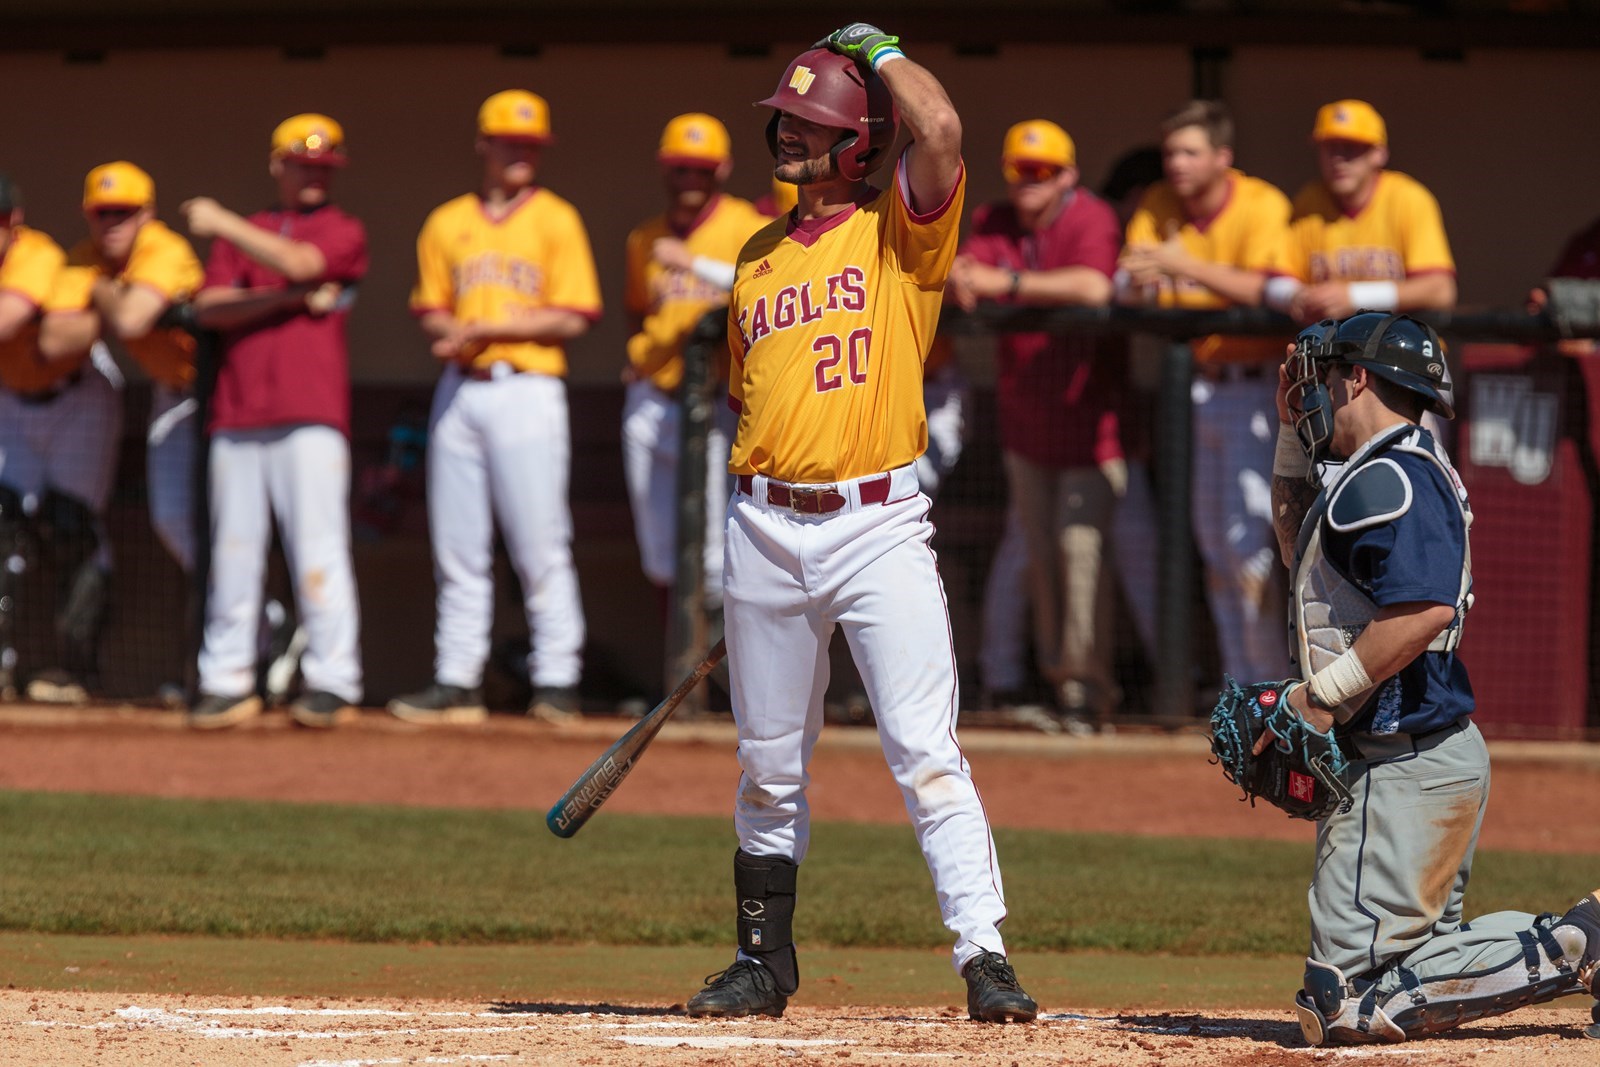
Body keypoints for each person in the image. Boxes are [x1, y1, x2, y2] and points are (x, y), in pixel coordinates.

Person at [684, 24, 1036, 1025]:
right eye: (786, 123)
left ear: (857, 142)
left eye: (809, 123)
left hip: (878, 523)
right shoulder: (752, 257)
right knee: (767, 759)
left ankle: (984, 951)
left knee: (924, 749)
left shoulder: (899, 232)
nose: (788, 136)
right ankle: (761, 960)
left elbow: (942, 124)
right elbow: (749, 399)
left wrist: (877, 51)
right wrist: (758, 553)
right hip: (763, 526)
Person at [1268, 311, 1600, 1046]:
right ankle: (1583, 936)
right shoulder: (1386, 468)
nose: (1315, 393)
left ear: (1356, 378)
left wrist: (1321, 696)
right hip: (1414, 762)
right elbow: (1298, 550)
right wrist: (1293, 438)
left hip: (1402, 767)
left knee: (1344, 1003)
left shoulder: (1393, 477)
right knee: (1416, 966)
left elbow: (1423, 610)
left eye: (1326, 378)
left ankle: (1582, 941)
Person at [389, 90, 601, 726]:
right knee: (458, 547)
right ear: (484, 144)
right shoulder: (446, 219)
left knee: (540, 542)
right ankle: (456, 679)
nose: (520, 153)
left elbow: (572, 316)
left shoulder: (556, 218)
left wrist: (491, 330)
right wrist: (448, 334)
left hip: (527, 389)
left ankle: (558, 678)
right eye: (510, 141)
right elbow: (430, 305)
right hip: (461, 389)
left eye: (531, 144)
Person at [181, 113, 368, 730]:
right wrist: (286, 302)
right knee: (234, 551)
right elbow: (210, 308)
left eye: (323, 167)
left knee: (317, 548)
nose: (313, 176)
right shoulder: (249, 232)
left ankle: (333, 678)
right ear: (277, 165)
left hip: (310, 413)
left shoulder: (342, 228)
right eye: (302, 164)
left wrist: (222, 222)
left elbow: (304, 262)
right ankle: (227, 677)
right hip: (237, 411)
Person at [948, 119, 1121, 728]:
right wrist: (970, 277)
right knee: (1044, 562)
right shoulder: (995, 221)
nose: (1028, 182)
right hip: (1025, 426)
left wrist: (1009, 283)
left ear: (1068, 175)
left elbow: (1095, 286)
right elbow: (966, 272)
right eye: (1020, 170)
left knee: (1083, 555)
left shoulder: (1089, 218)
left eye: (1042, 171)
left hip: (1092, 430)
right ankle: (1061, 685)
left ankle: (1087, 689)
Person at [1119, 99, 1293, 687]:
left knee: (1252, 550)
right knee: (1215, 551)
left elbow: (1270, 290)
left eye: (1190, 152)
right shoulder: (1159, 204)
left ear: (1223, 157)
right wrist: (1170, 270)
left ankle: (1269, 689)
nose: (1176, 164)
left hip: (1256, 394)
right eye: (1170, 152)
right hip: (1196, 388)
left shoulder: (1263, 202)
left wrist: (1178, 265)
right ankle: (1241, 689)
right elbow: (1127, 282)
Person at [621, 113, 766, 616]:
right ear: (665, 171)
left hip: (717, 405)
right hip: (656, 399)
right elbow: (637, 310)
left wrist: (692, 264)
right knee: (659, 551)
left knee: (713, 549)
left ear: (721, 170)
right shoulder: (644, 238)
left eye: (700, 170)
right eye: (681, 169)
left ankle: (717, 684)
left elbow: (769, 289)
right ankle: (680, 676)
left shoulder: (748, 225)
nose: (690, 180)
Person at [0, 174, 123, 705]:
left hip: (76, 396)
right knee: (3, 524)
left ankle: (76, 670)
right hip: (11, 396)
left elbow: (8, 321)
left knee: (69, 524)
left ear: (12, 222)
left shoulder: (35, 254)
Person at [1270, 101, 1456, 326]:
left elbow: (1440, 290)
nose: (1338, 159)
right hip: (1336, 352)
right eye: (1330, 148)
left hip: (1404, 351)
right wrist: (1295, 296)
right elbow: (1276, 279)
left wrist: (1356, 298)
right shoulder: (1309, 202)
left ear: (1378, 154)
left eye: (1350, 148)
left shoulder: (1408, 198)